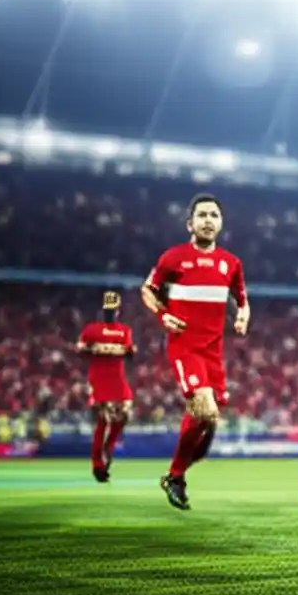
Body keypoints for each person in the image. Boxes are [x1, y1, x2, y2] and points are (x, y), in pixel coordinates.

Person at [140, 193, 250, 511]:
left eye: (214, 215)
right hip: (185, 347)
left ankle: (176, 474)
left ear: (220, 223)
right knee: (204, 409)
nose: (208, 220)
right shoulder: (173, 258)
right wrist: (163, 316)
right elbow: (147, 289)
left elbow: (242, 298)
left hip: (214, 352)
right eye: (202, 215)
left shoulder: (231, 263)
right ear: (190, 223)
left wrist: (243, 314)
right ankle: (177, 475)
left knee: (207, 420)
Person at [75, 290, 135, 483]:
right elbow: (80, 348)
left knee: (125, 414)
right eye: (107, 310)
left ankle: (108, 446)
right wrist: (104, 349)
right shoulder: (91, 329)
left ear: (118, 311)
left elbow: (129, 351)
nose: (110, 313)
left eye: (113, 310)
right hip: (98, 379)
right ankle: (97, 465)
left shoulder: (125, 331)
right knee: (103, 419)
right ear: (103, 310)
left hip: (118, 378)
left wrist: (103, 349)